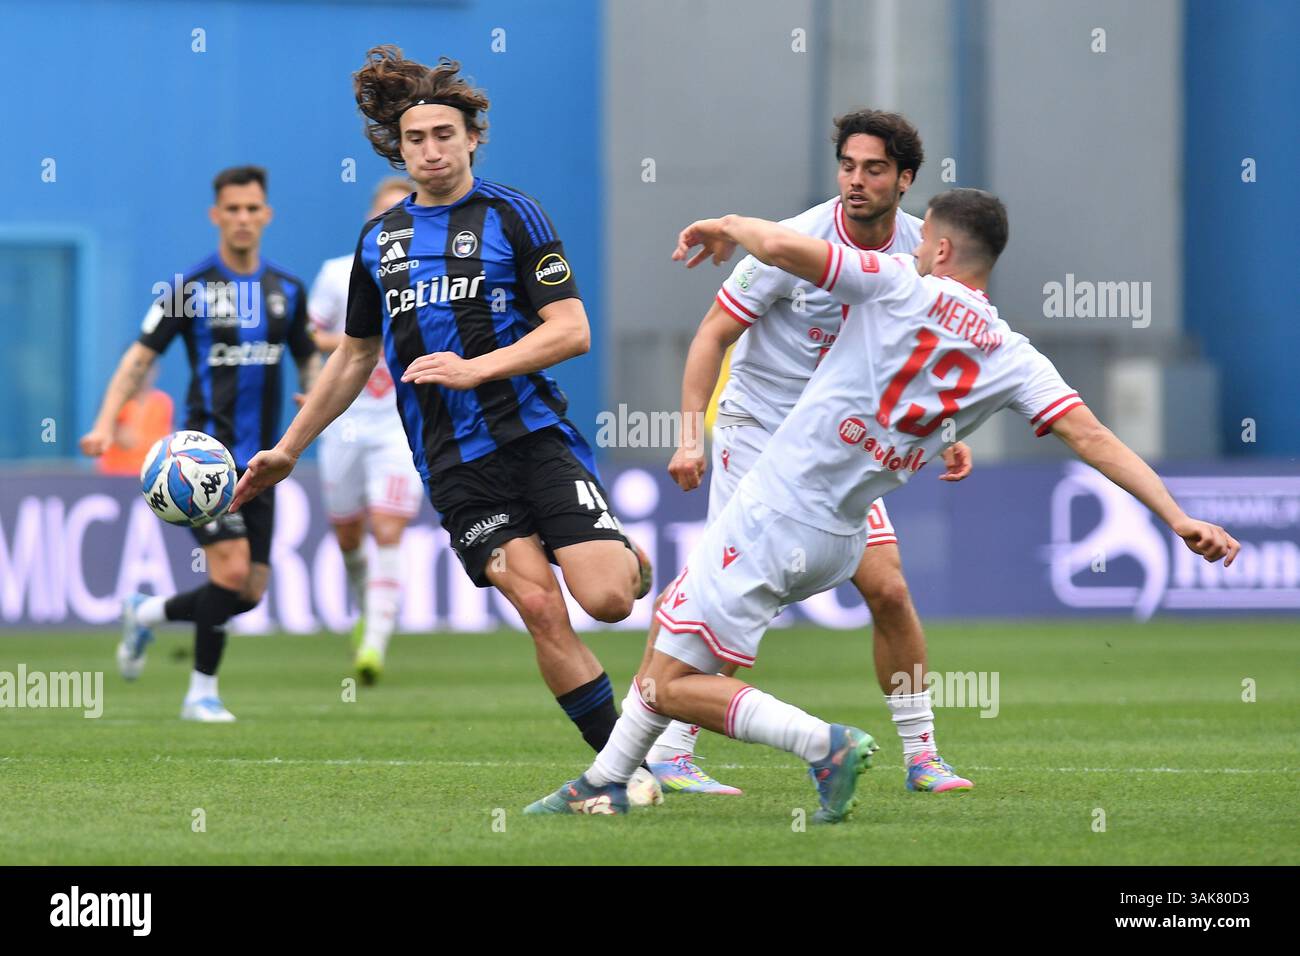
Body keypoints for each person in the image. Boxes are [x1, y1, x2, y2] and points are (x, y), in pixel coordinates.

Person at [525, 188, 1239, 820]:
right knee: (672, 643)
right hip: (846, 533)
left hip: (777, 509)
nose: (916, 246)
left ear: (942, 247)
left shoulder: (900, 284)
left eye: (924, 235)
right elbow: (1094, 438)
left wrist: (727, 223)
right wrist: (1177, 516)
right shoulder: (1016, 357)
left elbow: (779, 246)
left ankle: (824, 744)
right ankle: (605, 782)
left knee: (668, 682)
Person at [230, 47, 660, 800]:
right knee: (537, 606)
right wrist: (288, 450)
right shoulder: (380, 243)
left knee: (610, 601)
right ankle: (627, 771)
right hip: (453, 464)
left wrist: (477, 368)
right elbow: (356, 354)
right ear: (399, 146)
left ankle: (624, 556)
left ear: (471, 139)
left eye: (444, 135)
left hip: (532, 437)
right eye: (416, 138)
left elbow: (571, 329)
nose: (430, 149)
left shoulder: (512, 213)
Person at [648, 110, 976, 796]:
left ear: (905, 179)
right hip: (759, 431)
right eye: (848, 166)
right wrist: (688, 435)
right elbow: (711, 336)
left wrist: (948, 432)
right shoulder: (793, 242)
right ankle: (669, 751)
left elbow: (930, 352)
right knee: (736, 599)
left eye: (875, 169)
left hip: (835, 448)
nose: (856, 181)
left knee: (888, 588)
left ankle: (923, 756)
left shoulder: (922, 253)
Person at [80, 165, 319, 722]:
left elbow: (308, 351)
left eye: (251, 208)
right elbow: (141, 355)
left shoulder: (286, 290)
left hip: (265, 462)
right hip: (201, 462)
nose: (242, 218)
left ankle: (147, 613)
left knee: (251, 591)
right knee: (230, 573)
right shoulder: (189, 290)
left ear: (266, 215)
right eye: (231, 209)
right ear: (216, 216)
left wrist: (312, 389)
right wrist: (104, 420)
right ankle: (201, 694)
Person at [307, 177, 426, 683]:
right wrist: (358, 340)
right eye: (383, 213)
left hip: (400, 422)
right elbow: (312, 334)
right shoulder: (339, 273)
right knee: (348, 533)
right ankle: (364, 606)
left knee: (388, 528)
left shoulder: (430, 275)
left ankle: (375, 644)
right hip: (347, 419)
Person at [95, 362, 174, 477]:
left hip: (151, 475)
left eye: (148, 367)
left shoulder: (164, 402)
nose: (143, 373)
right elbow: (124, 440)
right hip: (115, 475)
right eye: (137, 366)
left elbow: (169, 438)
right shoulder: (115, 401)